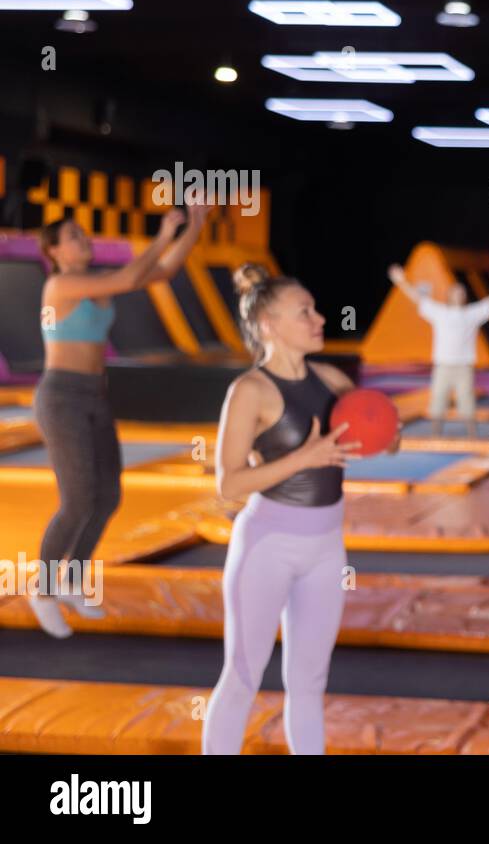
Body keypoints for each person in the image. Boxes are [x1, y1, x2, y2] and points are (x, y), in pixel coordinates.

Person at [203, 263, 397, 755]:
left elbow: (378, 437)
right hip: (267, 545)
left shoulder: (332, 378)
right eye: (305, 312)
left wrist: (387, 435)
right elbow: (228, 484)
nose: (319, 318)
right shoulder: (249, 391)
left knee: (309, 682)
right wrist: (302, 459)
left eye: (315, 309)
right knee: (243, 676)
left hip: (326, 548)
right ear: (269, 325)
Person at [29, 197, 209, 638]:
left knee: (107, 496)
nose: (83, 240)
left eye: (83, 234)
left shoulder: (95, 283)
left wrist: (196, 224)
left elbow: (162, 272)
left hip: (95, 395)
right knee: (76, 501)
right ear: (54, 252)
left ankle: (72, 581)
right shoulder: (59, 287)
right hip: (62, 397)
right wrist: (163, 233)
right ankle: (43, 588)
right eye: (74, 237)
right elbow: (132, 274)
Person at [386, 263, 489, 438]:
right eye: (456, 291)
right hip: (443, 365)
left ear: (465, 296)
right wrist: (401, 280)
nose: (460, 294)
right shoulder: (439, 312)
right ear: (450, 295)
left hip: (463, 366)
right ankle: (435, 434)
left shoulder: (472, 313)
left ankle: (472, 434)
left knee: (467, 402)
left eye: (462, 292)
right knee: (438, 401)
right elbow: (417, 298)